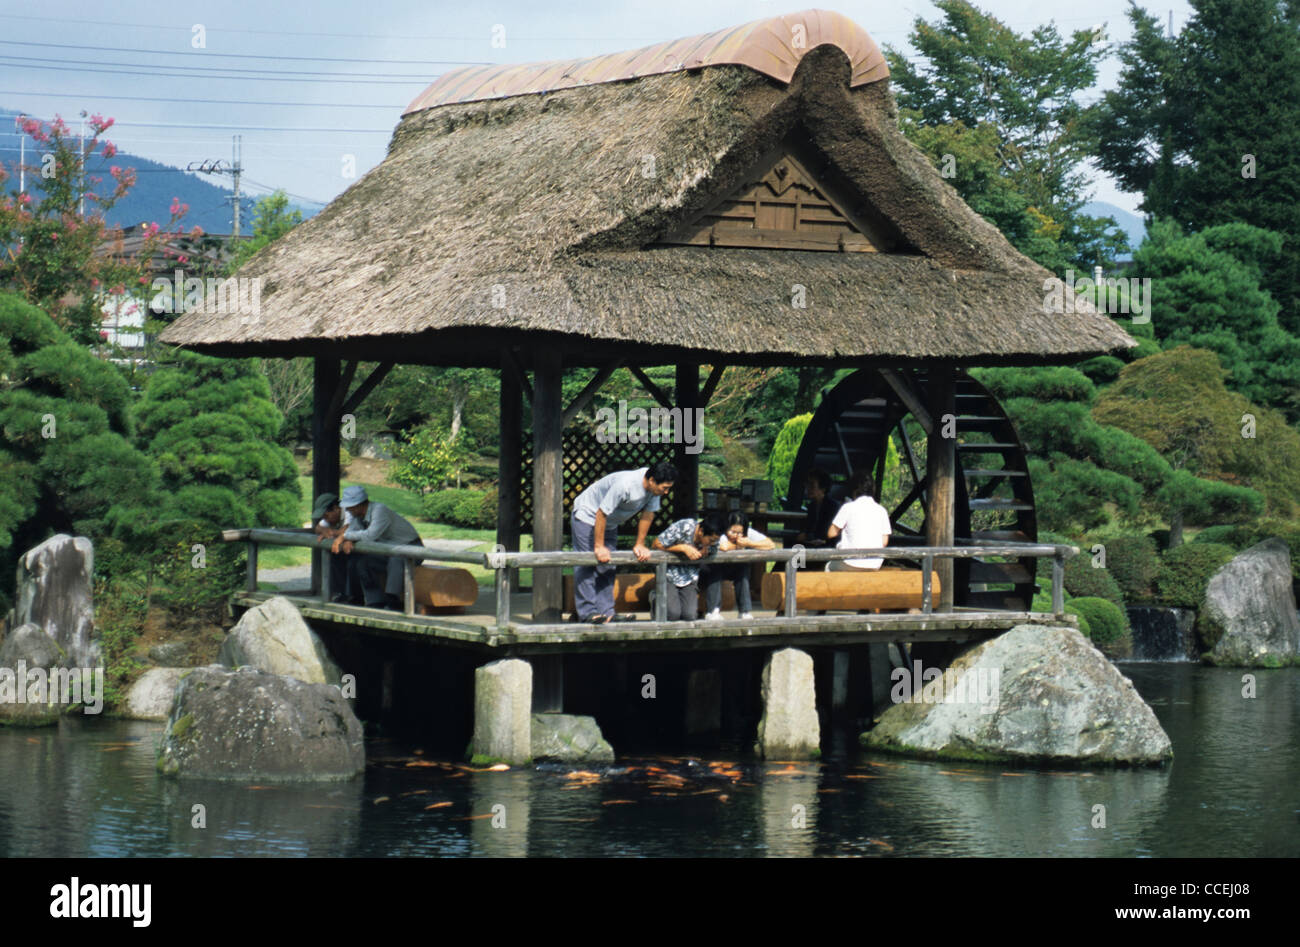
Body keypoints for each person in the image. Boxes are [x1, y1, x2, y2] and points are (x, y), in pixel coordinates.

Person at [570, 461, 676, 624]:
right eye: (665, 488)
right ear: (652, 480)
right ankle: (587, 613)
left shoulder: (653, 492)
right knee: (587, 565)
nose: (667, 492)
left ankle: (607, 612)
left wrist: (639, 544)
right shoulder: (625, 485)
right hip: (587, 516)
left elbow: (648, 515)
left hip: (610, 523)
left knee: (608, 565)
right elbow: (601, 512)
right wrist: (599, 546)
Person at [332, 485, 424, 610]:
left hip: (411, 548)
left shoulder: (379, 510)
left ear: (360, 504)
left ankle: (394, 600)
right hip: (388, 550)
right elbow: (353, 531)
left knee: (396, 560)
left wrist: (345, 536)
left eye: (351, 506)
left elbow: (370, 535)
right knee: (362, 562)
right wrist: (348, 539)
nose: (348, 509)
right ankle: (374, 601)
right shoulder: (357, 516)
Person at [652, 512, 727, 621]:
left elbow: (714, 549)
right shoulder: (683, 526)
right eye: (711, 540)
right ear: (701, 531)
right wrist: (682, 548)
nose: (713, 542)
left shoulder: (713, 539)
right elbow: (656, 545)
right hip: (668, 573)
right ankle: (655, 598)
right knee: (673, 614)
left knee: (690, 615)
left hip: (690, 575)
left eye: (715, 540)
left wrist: (706, 549)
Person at [701, 511, 775, 620]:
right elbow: (724, 546)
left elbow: (770, 544)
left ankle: (744, 610)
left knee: (743, 571)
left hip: (733, 567)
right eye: (732, 531)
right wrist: (737, 546)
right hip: (710, 568)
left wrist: (750, 543)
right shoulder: (720, 530)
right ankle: (713, 610)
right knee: (715, 570)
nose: (736, 535)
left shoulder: (748, 533)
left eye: (740, 532)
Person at [826, 470, 891, 570]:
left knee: (828, 567)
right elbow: (884, 541)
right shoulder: (882, 511)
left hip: (849, 562)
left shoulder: (848, 507)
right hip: (874, 564)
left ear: (853, 490)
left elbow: (831, 533)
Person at [311, 492, 361, 604]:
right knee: (335, 558)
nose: (326, 519)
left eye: (326, 515)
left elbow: (346, 530)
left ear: (336, 508)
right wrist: (324, 531)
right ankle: (341, 594)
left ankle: (354, 597)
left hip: (363, 552)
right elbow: (318, 527)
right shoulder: (330, 518)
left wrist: (332, 533)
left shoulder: (349, 512)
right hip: (347, 551)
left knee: (354, 564)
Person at [795, 468, 839, 551]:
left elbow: (829, 532)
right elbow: (808, 528)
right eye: (807, 484)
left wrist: (808, 536)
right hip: (813, 544)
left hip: (828, 546)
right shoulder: (812, 506)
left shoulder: (833, 506)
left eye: (811, 485)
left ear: (823, 488)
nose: (808, 488)